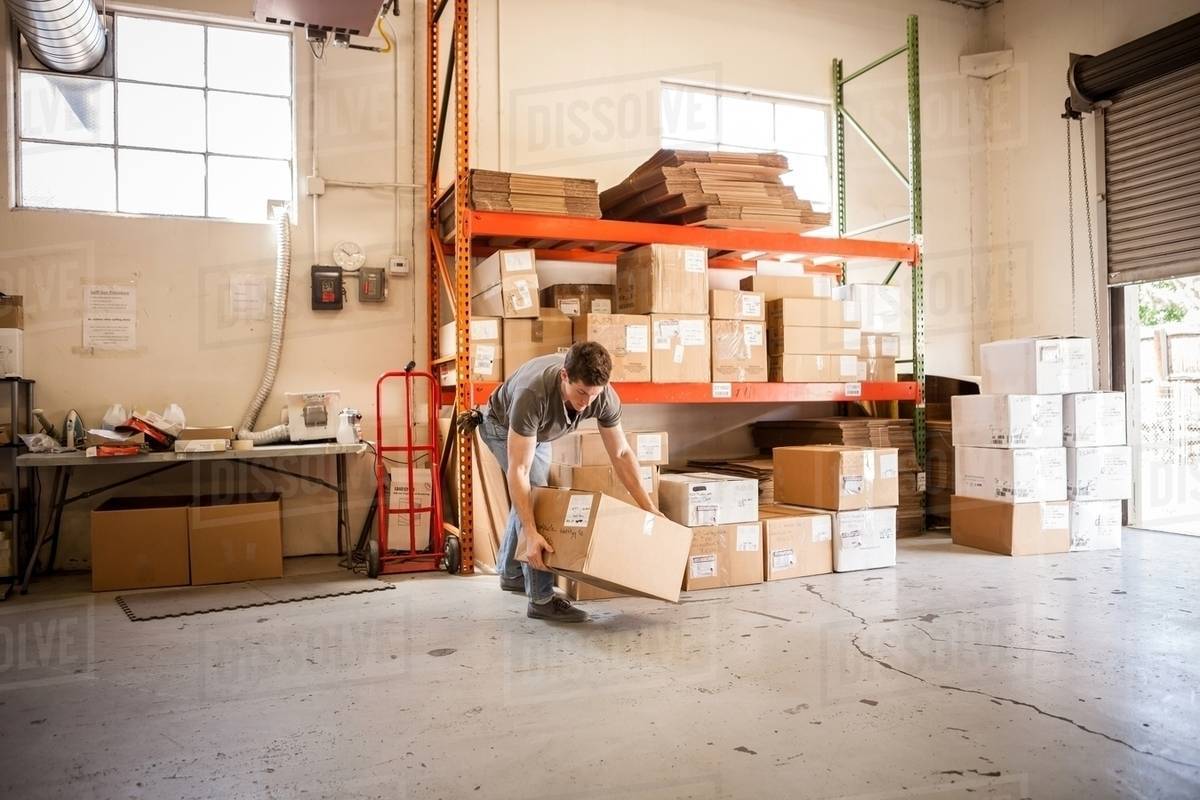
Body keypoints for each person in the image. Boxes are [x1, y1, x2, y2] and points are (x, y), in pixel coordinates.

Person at [477, 341, 660, 623]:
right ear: (564, 376)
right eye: (581, 393)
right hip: (502, 427)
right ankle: (541, 600)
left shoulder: (603, 396)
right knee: (537, 500)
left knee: (531, 495)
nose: (587, 402)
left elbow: (622, 453)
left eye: (594, 395)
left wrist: (648, 507)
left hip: (541, 433)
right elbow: (519, 471)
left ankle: (512, 574)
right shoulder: (533, 393)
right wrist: (532, 532)